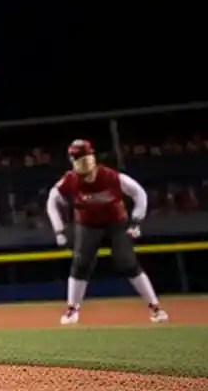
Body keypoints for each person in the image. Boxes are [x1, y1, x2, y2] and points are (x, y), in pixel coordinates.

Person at [47, 139, 169, 325]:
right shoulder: (70, 180)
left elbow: (139, 194)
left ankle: (155, 307)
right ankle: (72, 309)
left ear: (93, 157)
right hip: (87, 225)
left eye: (86, 156)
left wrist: (136, 223)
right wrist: (59, 230)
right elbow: (52, 200)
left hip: (116, 223)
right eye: (77, 158)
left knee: (127, 262)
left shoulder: (111, 177)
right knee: (80, 264)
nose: (83, 161)